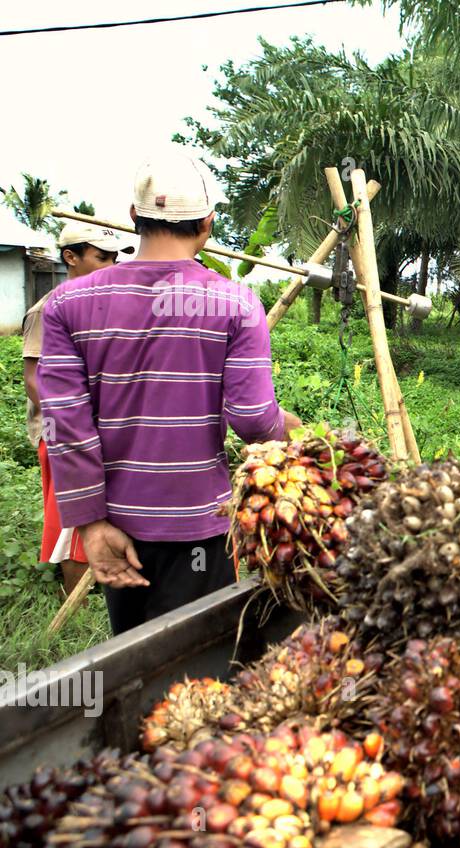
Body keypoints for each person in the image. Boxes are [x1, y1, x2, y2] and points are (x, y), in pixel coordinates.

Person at [38, 147, 302, 634]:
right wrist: (289, 431)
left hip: (117, 528)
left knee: (133, 658)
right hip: (199, 525)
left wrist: (91, 524)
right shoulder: (235, 303)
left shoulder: (67, 303)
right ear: (207, 223)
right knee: (194, 665)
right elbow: (250, 419)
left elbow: (64, 423)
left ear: (135, 217)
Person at [22, 224, 134, 596]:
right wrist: (76, 427)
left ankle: (106, 583)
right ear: (70, 257)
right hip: (62, 433)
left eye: (115, 257)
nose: (111, 265)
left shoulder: (101, 306)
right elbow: (36, 382)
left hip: (97, 429)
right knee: (74, 521)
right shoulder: (49, 308)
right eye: (101, 257)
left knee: (100, 509)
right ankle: (74, 604)